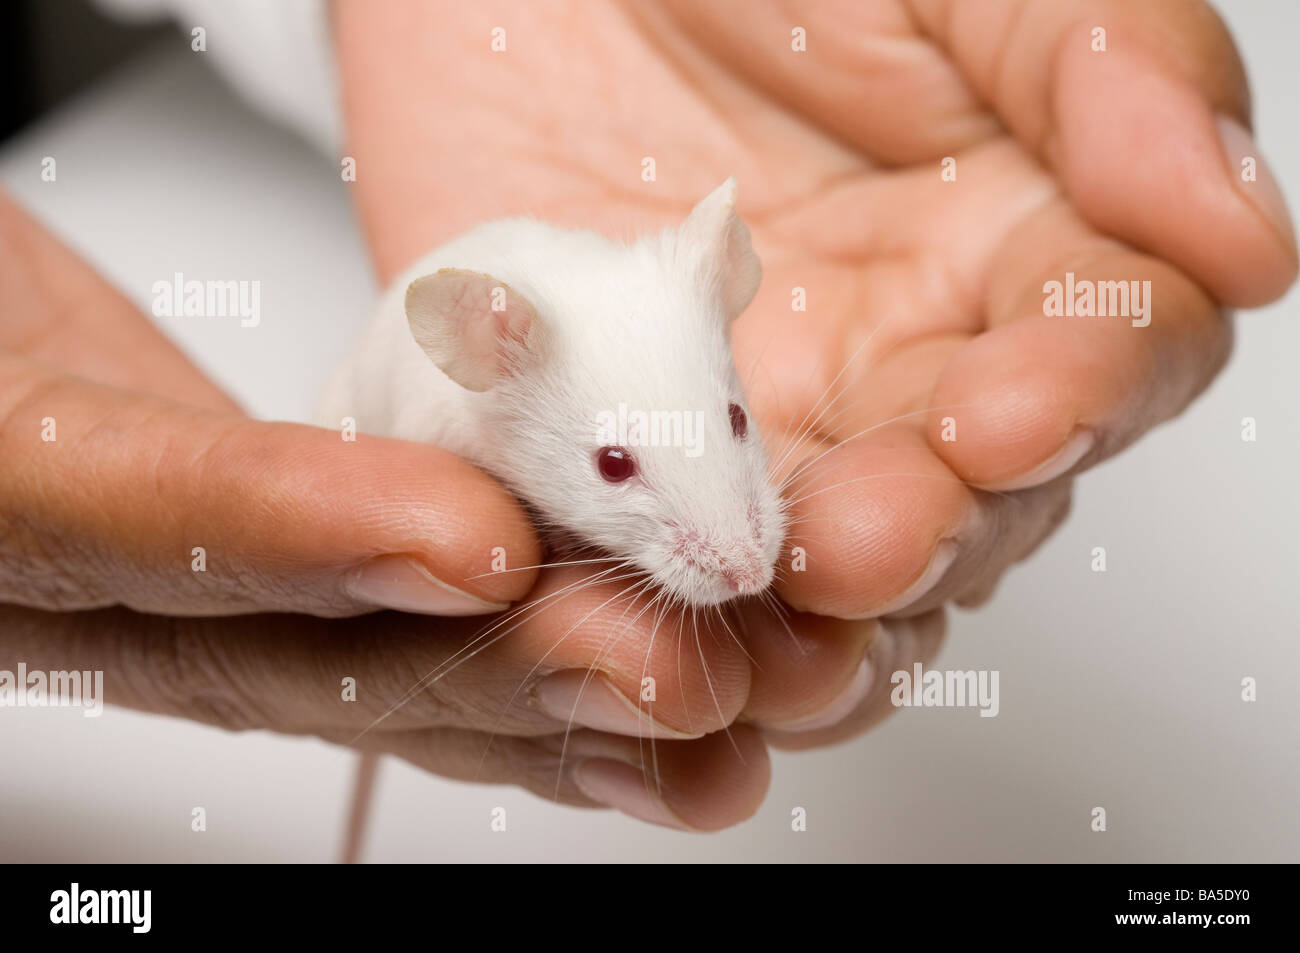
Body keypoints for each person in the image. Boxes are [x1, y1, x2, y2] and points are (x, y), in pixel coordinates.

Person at [2, 0, 1293, 831]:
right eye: (618, 463)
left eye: (738, 432)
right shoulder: (469, 353)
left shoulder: (669, 284)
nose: (738, 552)